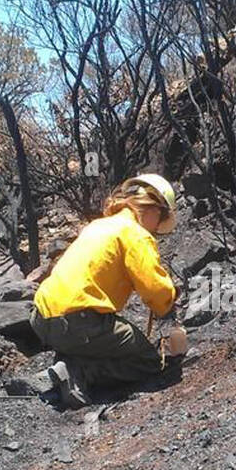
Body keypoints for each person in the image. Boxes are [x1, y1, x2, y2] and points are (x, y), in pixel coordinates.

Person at [29, 173, 185, 408]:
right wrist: (169, 303)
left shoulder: (99, 225)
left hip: (42, 319)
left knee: (110, 336)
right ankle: (79, 372)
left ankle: (71, 358)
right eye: (161, 216)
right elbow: (154, 288)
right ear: (152, 207)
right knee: (148, 360)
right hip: (77, 322)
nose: (158, 226)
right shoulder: (135, 233)